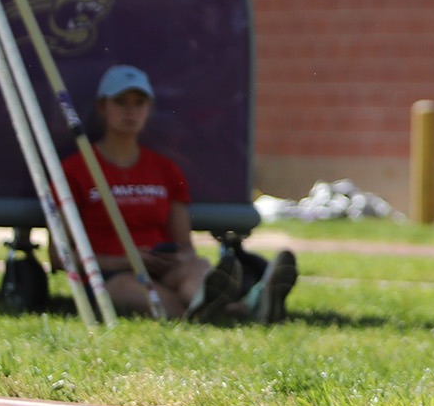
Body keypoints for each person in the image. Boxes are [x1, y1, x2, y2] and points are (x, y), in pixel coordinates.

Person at [61, 65, 298, 322]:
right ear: (102, 107)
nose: (131, 110)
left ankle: (224, 306)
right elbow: (59, 256)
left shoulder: (166, 169)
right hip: (110, 275)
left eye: (139, 103)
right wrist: (123, 261)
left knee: (196, 267)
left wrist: (176, 257)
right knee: (159, 298)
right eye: (121, 102)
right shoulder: (75, 170)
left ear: (149, 109)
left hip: (165, 268)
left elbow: (185, 246)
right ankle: (248, 309)